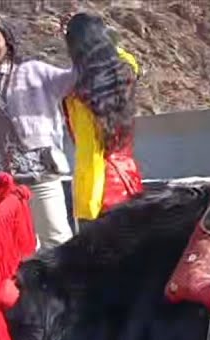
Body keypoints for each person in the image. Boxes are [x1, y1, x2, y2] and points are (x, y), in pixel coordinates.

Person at [0, 12, 75, 249]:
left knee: (56, 240)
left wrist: (73, 39)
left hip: (40, 172)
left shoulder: (34, 72)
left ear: (6, 40)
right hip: (1, 181)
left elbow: (74, 78)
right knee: (18, 248)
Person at [61, 12, 142, 224]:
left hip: (103, 191)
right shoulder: (124, 76)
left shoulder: (81, 97)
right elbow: (128, 59)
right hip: (129, 179)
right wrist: (102, 37)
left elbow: (90, 155)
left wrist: (86, 207)